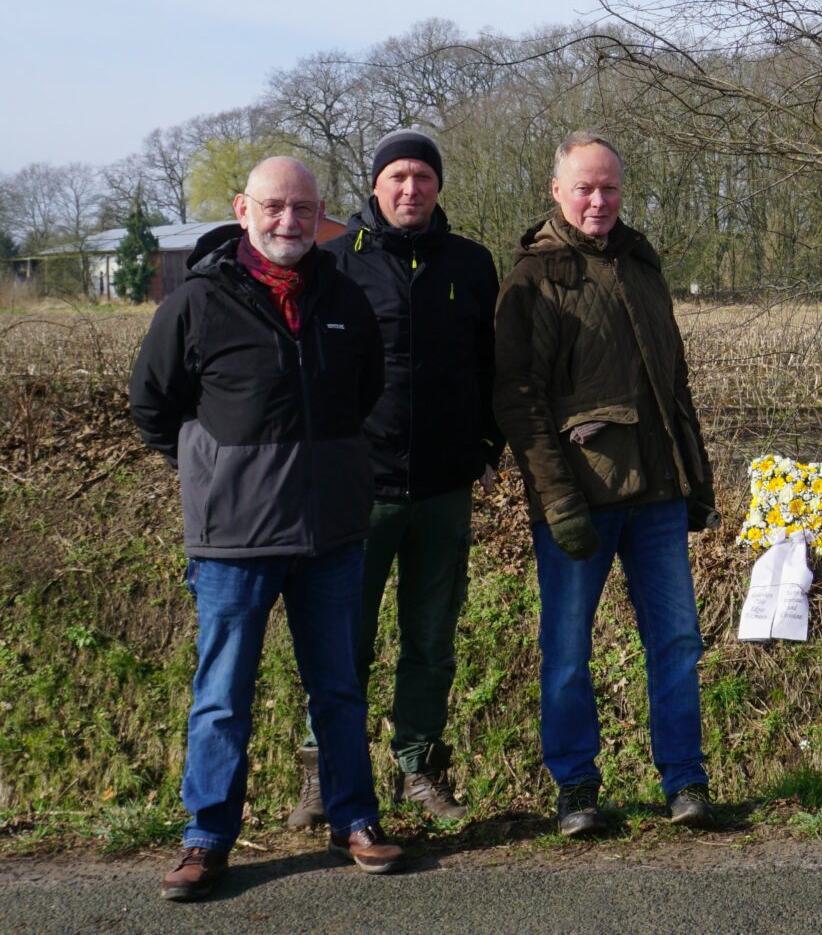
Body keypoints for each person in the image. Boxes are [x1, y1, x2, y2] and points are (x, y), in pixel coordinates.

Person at [130, 157, 404, 901]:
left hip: (331, 532)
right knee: (222, 691)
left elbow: (366, 389)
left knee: (339, 687)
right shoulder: (197, 301)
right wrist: (208, 467)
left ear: (322, 216)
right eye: (275, 206)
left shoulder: (344, 298)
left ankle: (355, 819)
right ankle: (207, 837)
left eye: (304, 209)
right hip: (234, 539)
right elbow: (153, 404)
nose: (290, 221)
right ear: (242, 208)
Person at [494, 131, 719, 837]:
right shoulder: (532, 279)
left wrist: (695, 476)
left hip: (657, 493)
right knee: (567, 650)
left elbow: (672, 386)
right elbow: (518, 400)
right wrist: (556, 499)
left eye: (610, 188)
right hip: (580, 501)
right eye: (585, 188)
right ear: (557, 191)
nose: (598, 200)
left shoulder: (642, 265)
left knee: (678, 640)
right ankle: (576, 788)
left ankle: (685, 780)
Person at [284, 129, 503, 828]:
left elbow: (490, 363)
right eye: (398, 176)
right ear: (375, 186)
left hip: (443, 488)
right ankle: (326, 773)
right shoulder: (334, 262)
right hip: (357, 488)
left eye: (423, 177)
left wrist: (488, 442)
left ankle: (420, 769)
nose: (411, 188)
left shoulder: (471, 263)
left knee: (431, 636)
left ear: (439, 186)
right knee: (343, 637)